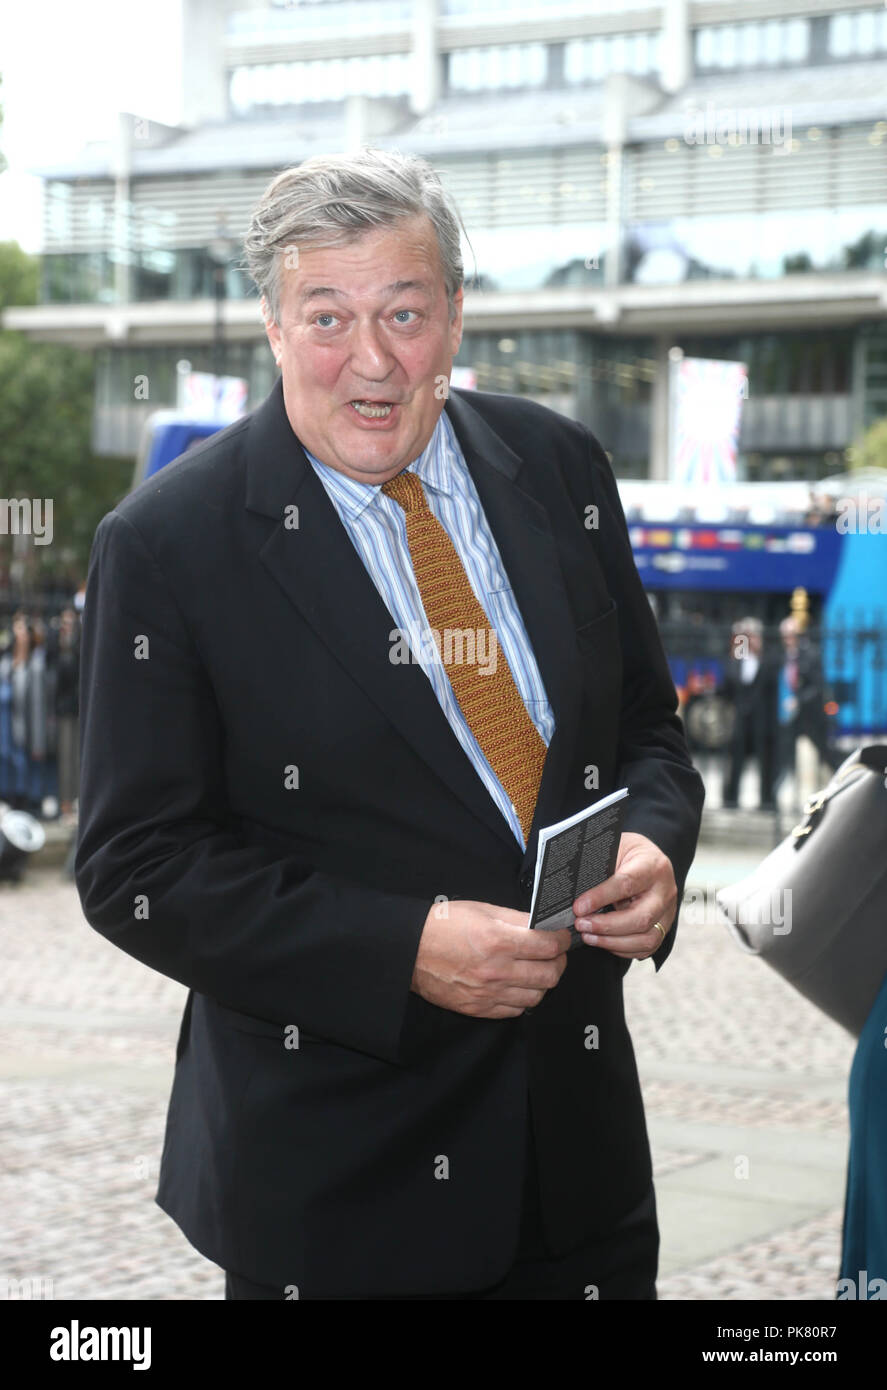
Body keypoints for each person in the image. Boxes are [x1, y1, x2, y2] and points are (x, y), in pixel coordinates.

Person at [75, 148, 705, 1301]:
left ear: (455, 314)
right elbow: (134, 866)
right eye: (328, 315)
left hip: (582, 1173)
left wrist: (657, 843)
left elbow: (645, 733)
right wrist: (397, 948)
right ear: (272, 324)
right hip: (340, 1192)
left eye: (404, 311)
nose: (371, 359)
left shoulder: (559, 463)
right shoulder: (168, 546)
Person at [721, 617, 779, 810]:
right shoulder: (736, 658)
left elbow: (772, 685)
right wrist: (736, 653)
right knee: (735, 761)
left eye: (752, 636)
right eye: (745, 637)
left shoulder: (767, 658)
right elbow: (728, 685)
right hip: (740, 719)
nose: (749, 640)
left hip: (761, 719)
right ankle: (730, 799)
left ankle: (766, 800)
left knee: (765, 761)